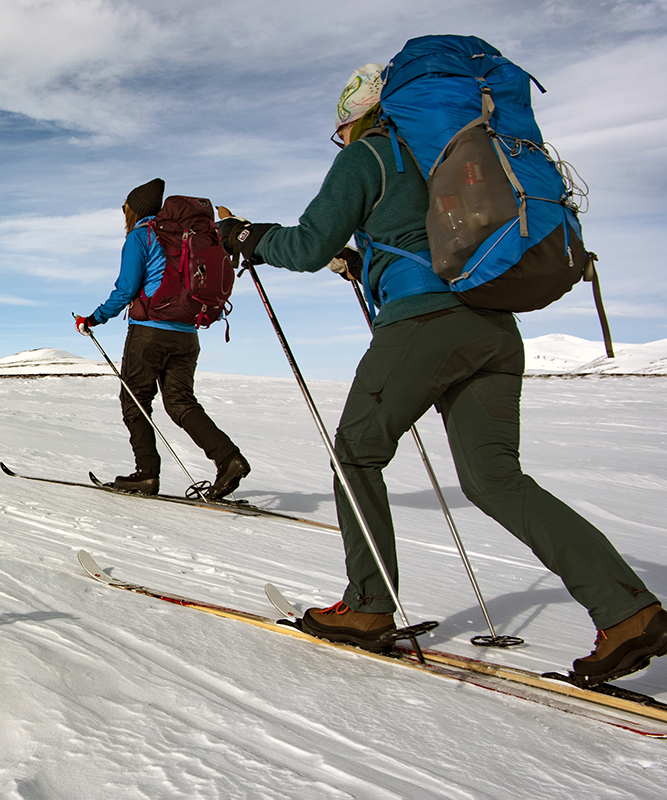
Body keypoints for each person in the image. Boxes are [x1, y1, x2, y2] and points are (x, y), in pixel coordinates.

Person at [218, 63, 666, 687]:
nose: (340, 139)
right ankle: (628, 611)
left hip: (425, 323)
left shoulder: (369, 154)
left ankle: (369, 605)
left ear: (357, 118)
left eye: (340, 129)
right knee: (495, 478)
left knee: (356, 453)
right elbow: (420, 236)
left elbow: (305, 246)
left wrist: (249, 235)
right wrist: (362, 262)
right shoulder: (452, 154)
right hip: (493, 326)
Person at [75, 178, 251, 502]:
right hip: (188, 334)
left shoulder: (141, 235)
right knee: (181, 402)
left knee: (135, 400)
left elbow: (126, 290)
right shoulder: (185, 235)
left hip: (150, 332)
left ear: (133, 210)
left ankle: (146, 473)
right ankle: (229, 459)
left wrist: (93, 318)